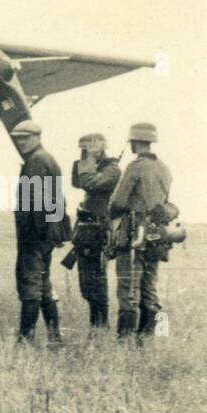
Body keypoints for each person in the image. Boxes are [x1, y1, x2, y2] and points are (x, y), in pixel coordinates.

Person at [108, 122, 173, 338]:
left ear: (134, 142)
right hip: (157, 236)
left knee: (128, 288)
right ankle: (145, 342)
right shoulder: (164, 168)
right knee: (149, 287)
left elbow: (117, 203)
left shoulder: (135, 167)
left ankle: (125, 343)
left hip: (134, 234)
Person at [9, 120, 69, 344]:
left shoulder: (36, 161)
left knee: (30, 286)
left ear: (37, 137)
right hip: (46, 234)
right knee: (43, 286)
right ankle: (54, 338)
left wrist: (33, 232)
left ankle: (25, 340)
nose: (21, 142)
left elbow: (37, 201)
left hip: (35, 235)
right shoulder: (46, 159)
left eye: (25, 137)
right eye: (18, 138)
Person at [67, 133, 120, 331]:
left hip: (98, 233)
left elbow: (89, 183)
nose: (83, 154)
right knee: (87, 285)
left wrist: (88, 160)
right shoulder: (95, 167)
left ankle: (100, 326)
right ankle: (96, 326)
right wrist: (86, 160)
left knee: (96, 283)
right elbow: (77, 181)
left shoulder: (112, 170)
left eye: (86, 150)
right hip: (87, 232)